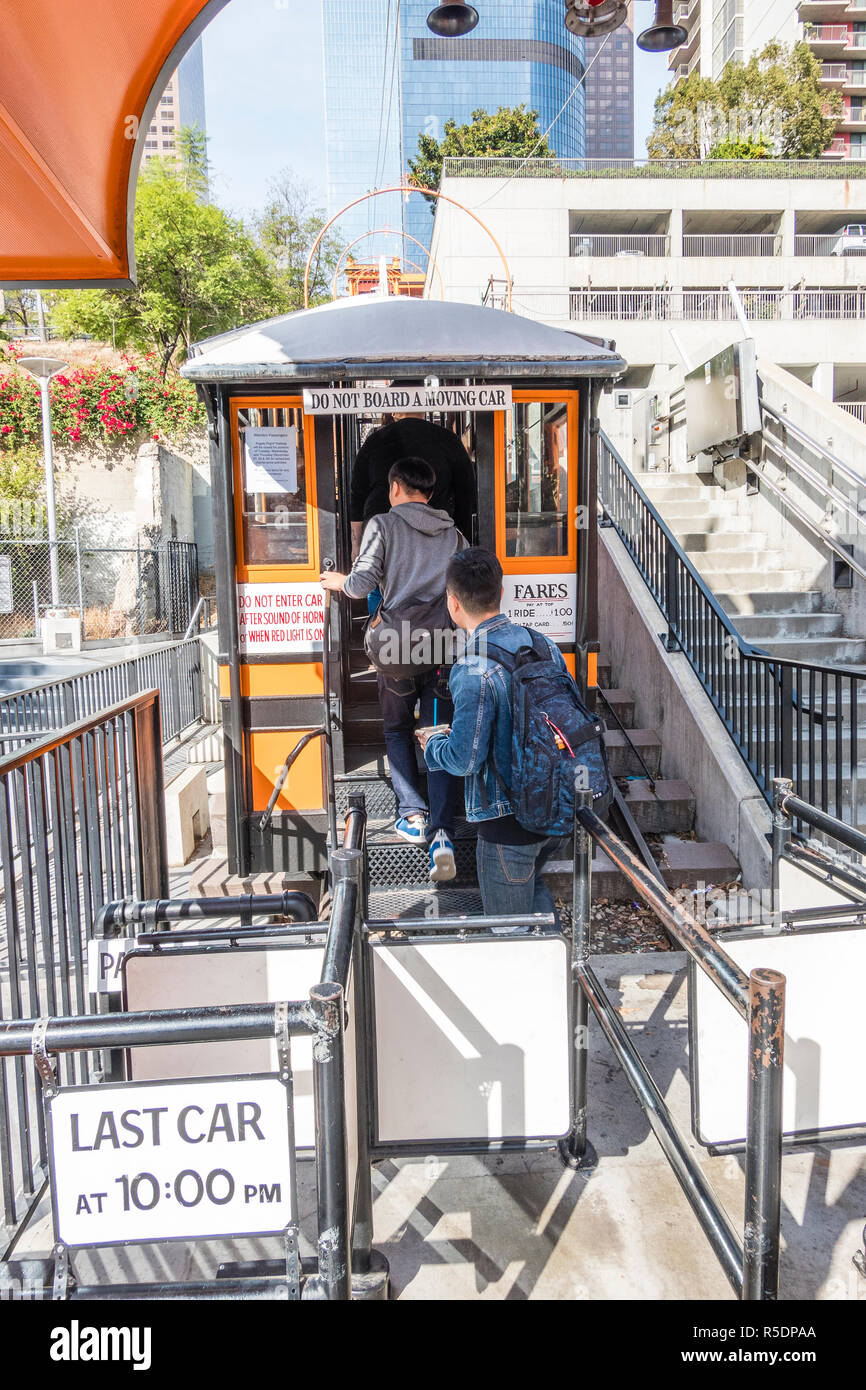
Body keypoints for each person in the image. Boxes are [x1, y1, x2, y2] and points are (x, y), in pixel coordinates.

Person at [321, 457, 466, 883]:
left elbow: (362, 582)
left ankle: (412, 815)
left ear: (395, 488)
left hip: (396, 648)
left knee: (398, 730)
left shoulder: (383, 525)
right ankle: (443, 833)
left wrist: (338, 582)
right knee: (438, 735)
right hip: (441, 646)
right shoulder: (454, 534)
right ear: (430, 491)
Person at [418, 547, 566, 917]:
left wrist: (433, 741)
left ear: (453, 603)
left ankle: (542, 968)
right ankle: (558, 967)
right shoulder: (544, 645)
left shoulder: (472, 667)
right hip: (556, 806)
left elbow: (464, 760)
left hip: (507, 823)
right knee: (532, 897)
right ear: (501, 591)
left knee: (509, 929)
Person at [349, 400, 477, 561]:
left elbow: (357, 495)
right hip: (437, 538)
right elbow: (466, 493)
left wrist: (357, 546)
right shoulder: (448, 440)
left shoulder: (374, 441)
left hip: (381, 542)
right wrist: (459, 536)